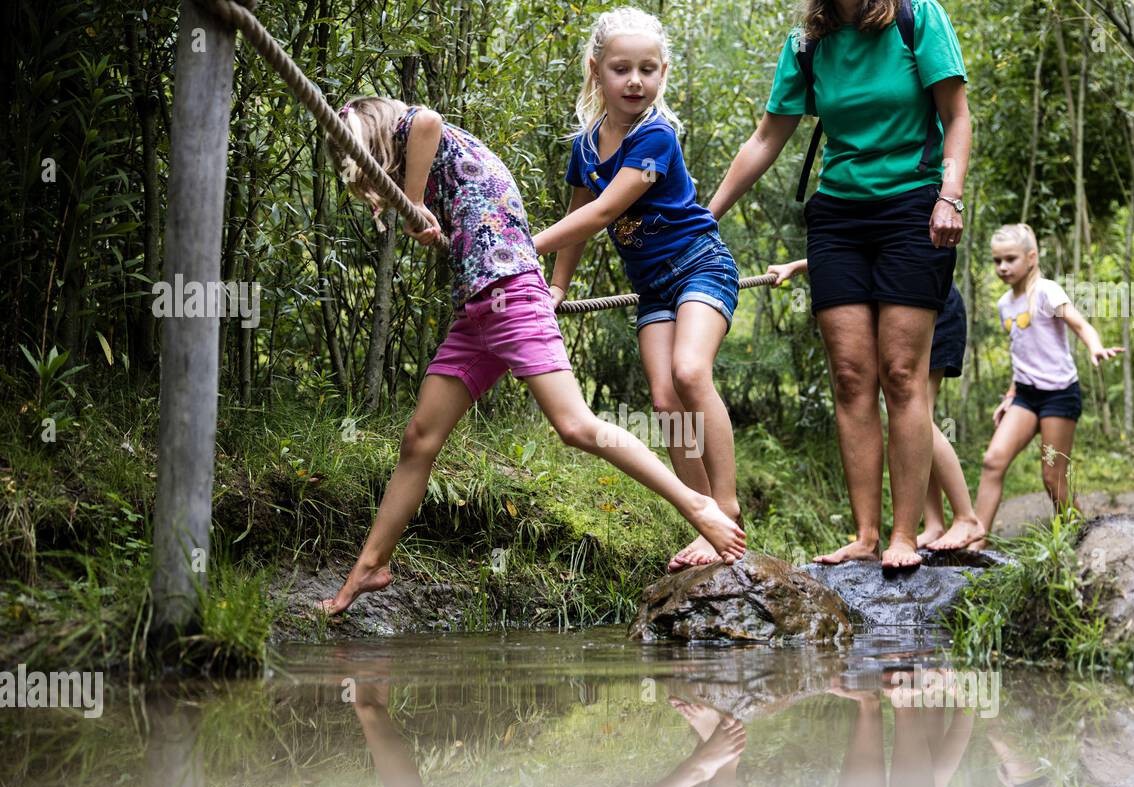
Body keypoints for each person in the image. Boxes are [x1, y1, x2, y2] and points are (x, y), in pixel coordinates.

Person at [315, 96, 744, 616]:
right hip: (478, 304)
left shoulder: (418, 129)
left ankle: (699, 504)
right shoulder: (434, 161)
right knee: (419, 438)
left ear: (375, 139)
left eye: (363, 163)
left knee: (576, 426)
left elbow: (425, 119)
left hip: (511, 290)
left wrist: (413, 203)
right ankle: (371, 565)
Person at [709, 0, 972, 568]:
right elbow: (764, 139)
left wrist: (949, 196)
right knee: (852, 375)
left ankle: (906, 535)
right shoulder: (808, 42)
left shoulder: (917, 17)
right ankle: (865, 535)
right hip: (838, 218)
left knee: (902, 373)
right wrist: (709, 217)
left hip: (913, 208)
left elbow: (956, 115)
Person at [535, 7, 742, 572]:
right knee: (664, 400)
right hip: (652, 289)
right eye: (621, 68)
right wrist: (556, 283)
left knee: (691, 373)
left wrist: (523, 246)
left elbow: (603, 212)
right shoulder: (584, 145)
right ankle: (701, 516)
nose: (634, 81)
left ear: (663, 73)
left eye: (647, 70)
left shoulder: (656, 135)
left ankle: (726, 510)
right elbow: (577, 211)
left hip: (700, 266)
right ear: (596, 71)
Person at [768, 261, 985, 551]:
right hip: (900, 305)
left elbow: (886, 233)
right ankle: (934, 523)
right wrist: (799, 265)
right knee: (919, 419)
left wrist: (798, 265)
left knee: (921, 419)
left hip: (930, 306)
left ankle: (966, 517)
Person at [969, 223, 1124, 548]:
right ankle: (975, 543)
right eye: (997, 261)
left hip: (1059, 397)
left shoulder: (1047, 292)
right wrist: (1010, 396)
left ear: (1031, 257)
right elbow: (1021, 353)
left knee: (1053, 479)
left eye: (1010, 259)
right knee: (992, 460)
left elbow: (1080, 325)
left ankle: (1082, 540)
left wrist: (1095, 347)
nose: (1002, 267)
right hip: (1025, 397)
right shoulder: (1003, 305)